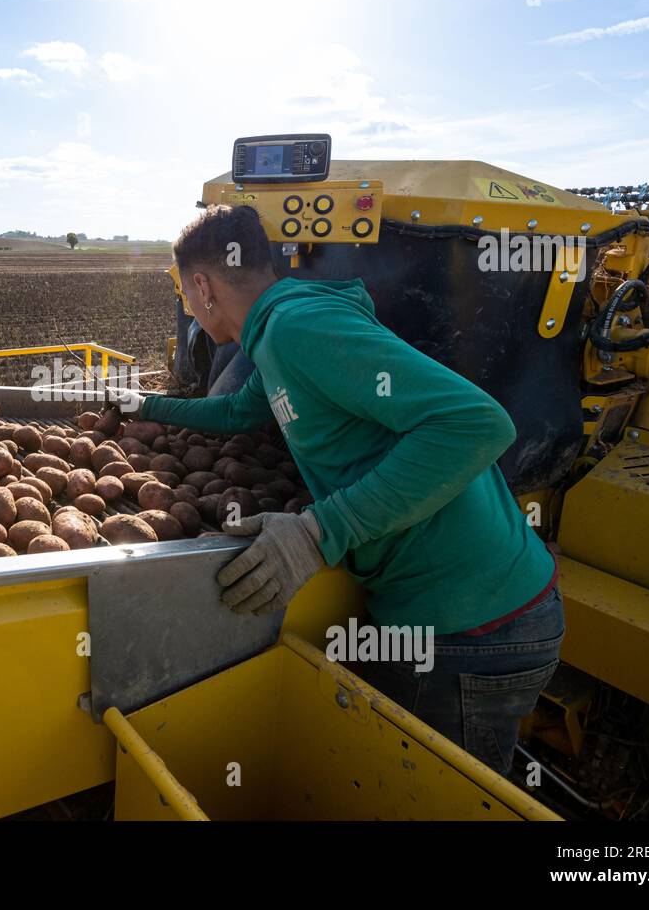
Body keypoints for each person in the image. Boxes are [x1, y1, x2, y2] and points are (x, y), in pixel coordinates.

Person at [115, 204, 563, 775]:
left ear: (203, 286)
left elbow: (479, 424)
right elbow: (238, 410)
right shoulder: (274, 335)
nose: (188, 310)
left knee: (426, 800)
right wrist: (144, 405)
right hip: (456, 616)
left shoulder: (301, 329)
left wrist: (319, 530)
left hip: (471, 627)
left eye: (183, 295)